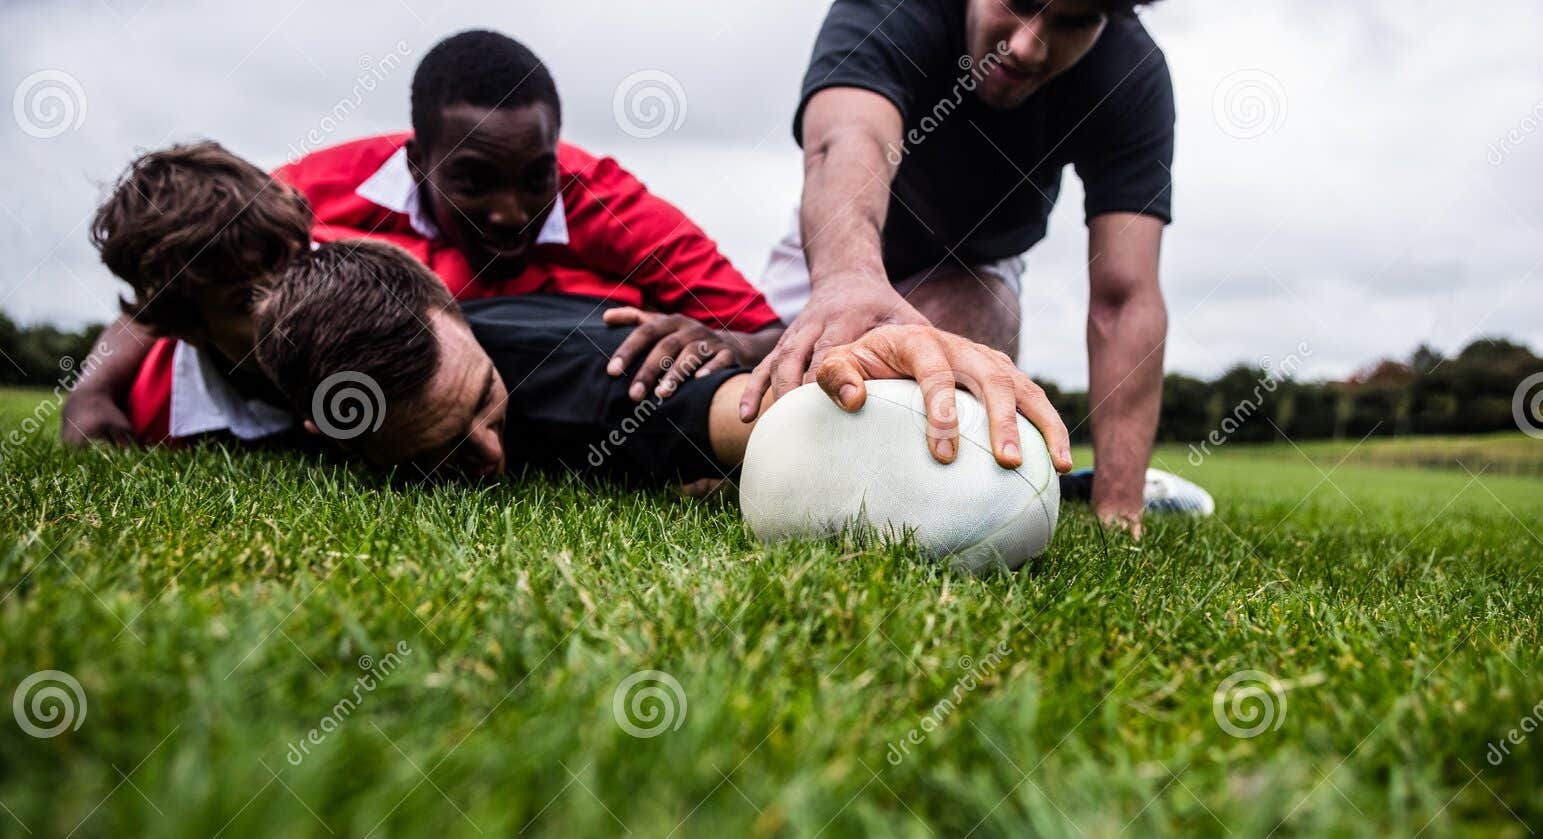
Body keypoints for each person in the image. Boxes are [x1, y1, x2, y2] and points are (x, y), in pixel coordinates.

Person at [63, 29, 780, 446]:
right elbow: (188, 263)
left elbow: (769, 331)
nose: (511, 211)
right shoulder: (321, 191)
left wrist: (727, 343)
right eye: (474, 180)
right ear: (416, 164)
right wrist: (90, 391)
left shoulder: (611, 205)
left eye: (537, 178)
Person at [744, 0, 1177, 534]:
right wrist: (847, 280)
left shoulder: (1132, 75)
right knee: (755, 389)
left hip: (976, 266)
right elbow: (847, 139)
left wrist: (1119, 504)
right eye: (1018, 3)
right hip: (837, 242)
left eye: (1071, 23)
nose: (1027, 47)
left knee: (960, 340)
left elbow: (1124, 297)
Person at [253, 239, 1019, 491]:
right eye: (441, 453)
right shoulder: (289, 387)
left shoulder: (600, 385)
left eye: (485, 398)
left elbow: (778, 415)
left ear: (453, 306)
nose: (491, 453)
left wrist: (880, 369)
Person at [60, 142, 313, 447]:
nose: (297, 305)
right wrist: (89, 396)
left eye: (301, 269)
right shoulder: (158, 421)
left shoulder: (322, 218)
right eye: (249, 300)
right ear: (187, 330)